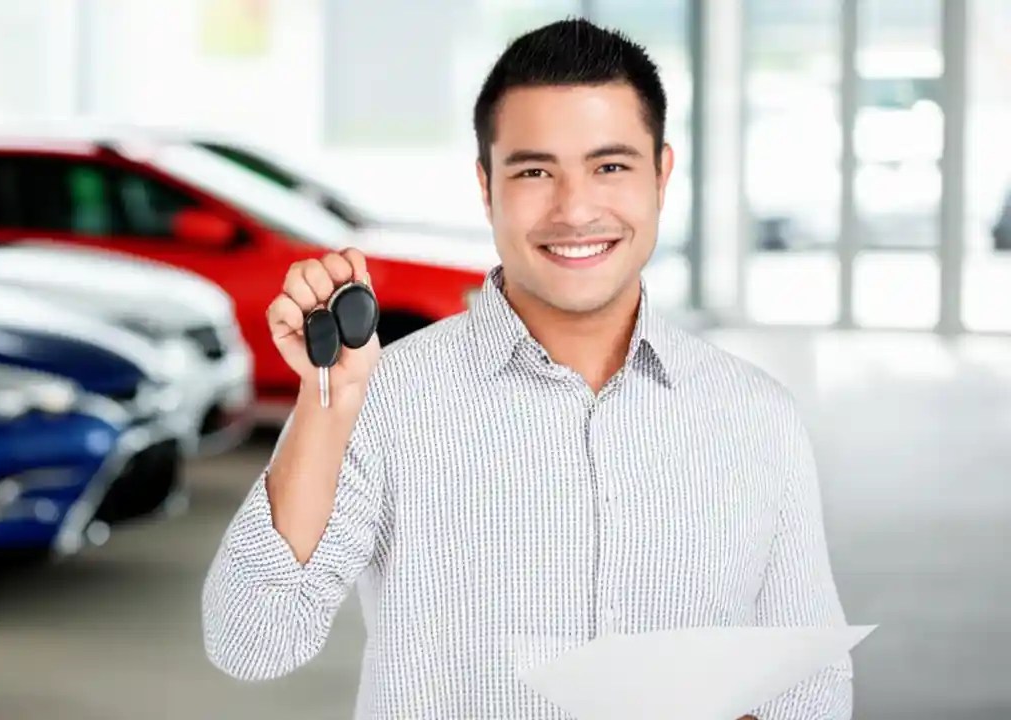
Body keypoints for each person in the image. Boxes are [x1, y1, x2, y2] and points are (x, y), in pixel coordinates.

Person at [202, 17, 854, 720]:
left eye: (610, 166)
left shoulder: (756, 416)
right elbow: (253, 640)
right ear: (486, 186)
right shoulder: (387, 400)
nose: (575, 210)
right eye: (535, 171)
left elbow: (811, 689)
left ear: (661, 176)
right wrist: (328, 405)